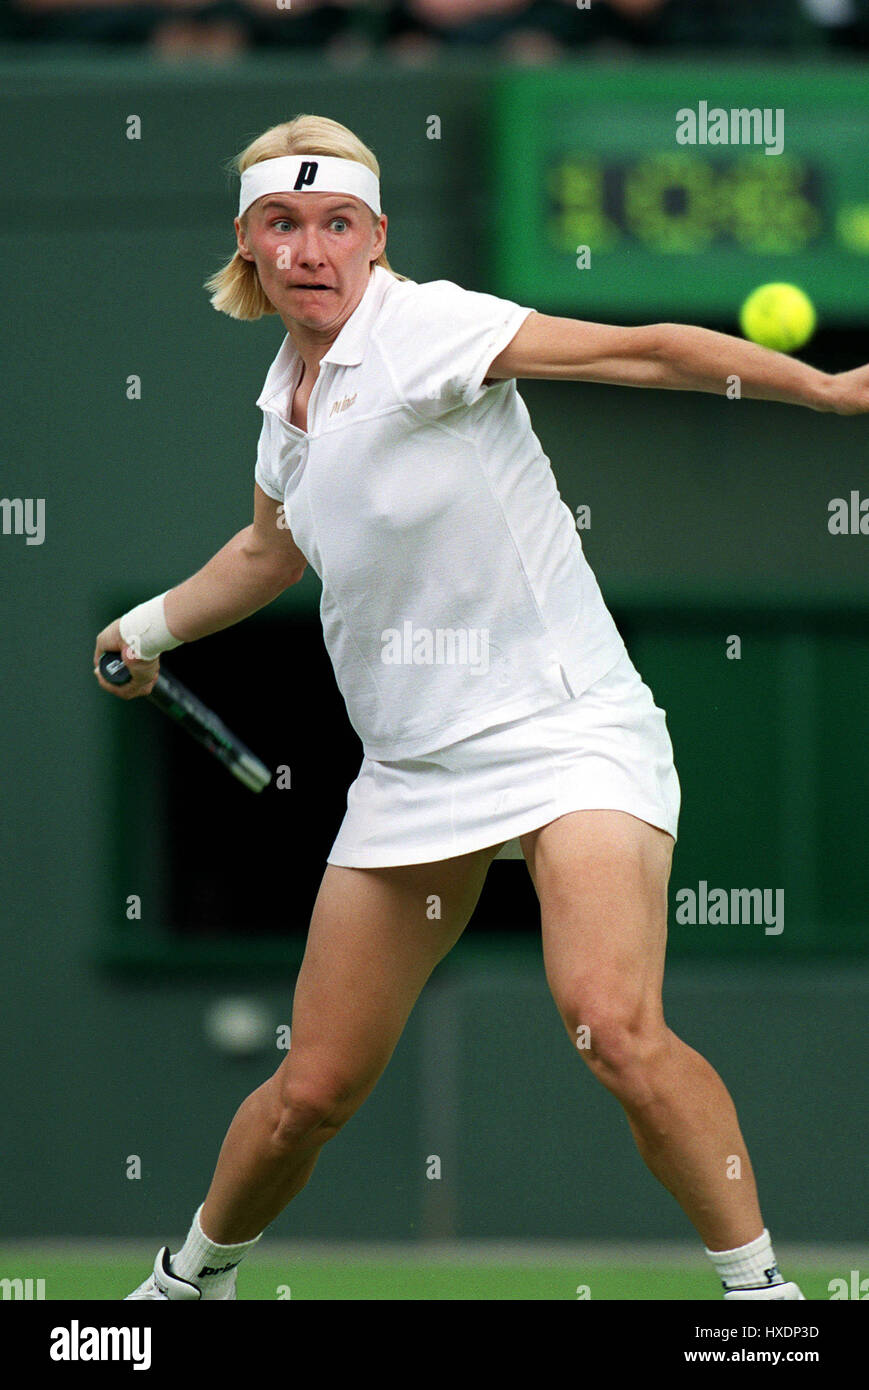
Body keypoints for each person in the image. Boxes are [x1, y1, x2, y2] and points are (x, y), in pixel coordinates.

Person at [94, 114, 867, 1301]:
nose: (311, 249)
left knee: (608, 1022)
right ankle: (189, 1283)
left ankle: (762, 1304)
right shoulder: (285, 400)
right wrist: (146, 628)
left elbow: (647, 351)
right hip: (412, 773)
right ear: (246, 245)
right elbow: (265, 552)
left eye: (336, 224)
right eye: (282, 226)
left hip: (569, 732)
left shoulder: (429, 328)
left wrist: (824, 391)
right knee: (311, 1091)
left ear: (376, 236)